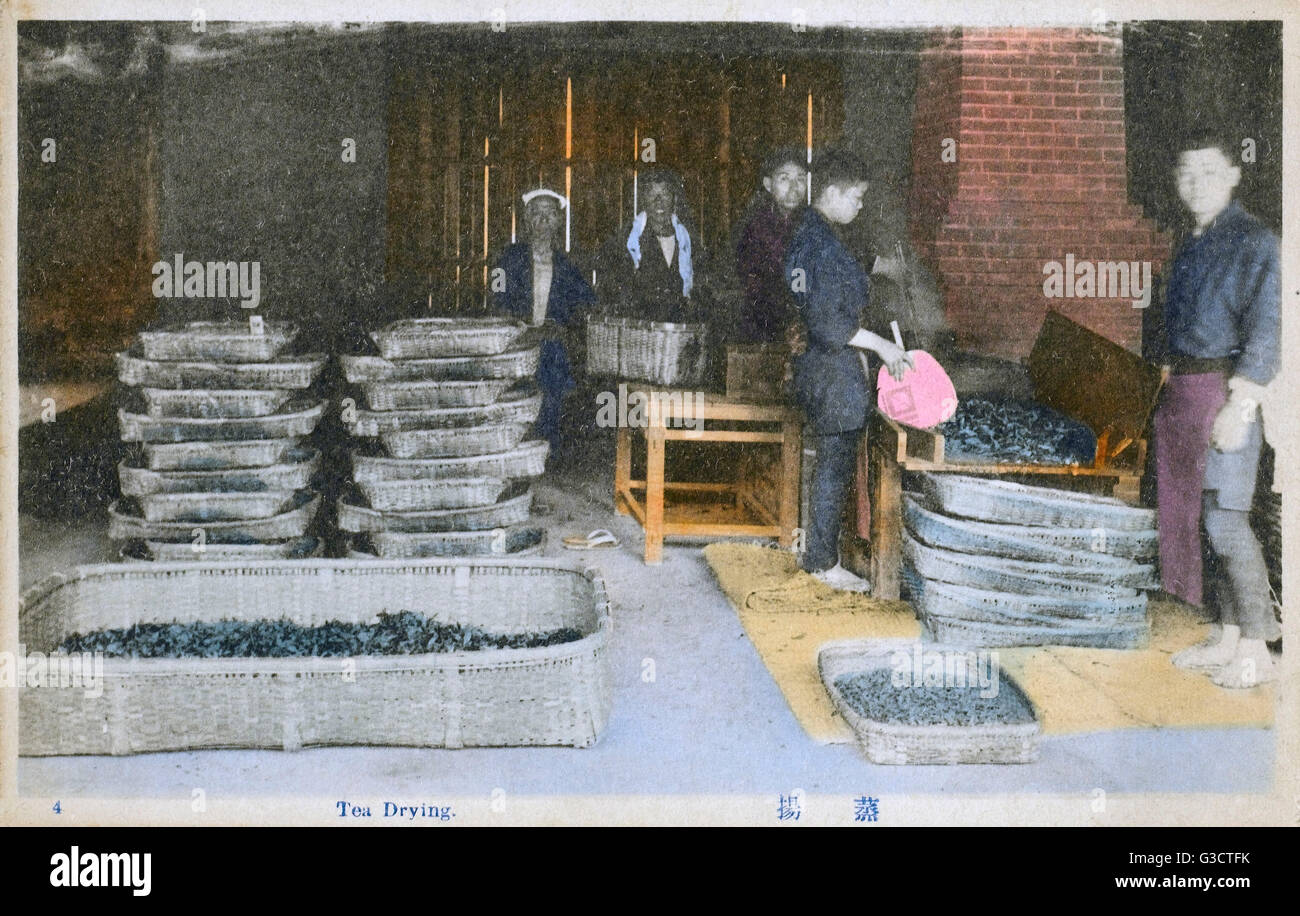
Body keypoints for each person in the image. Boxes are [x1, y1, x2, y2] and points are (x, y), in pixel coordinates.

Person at [1153, 133, 1281, 688]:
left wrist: (1242, 403)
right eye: (1186, 172)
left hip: (1226, 392)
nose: (1195, 183)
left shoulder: (1257, 241)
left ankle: (1256, 645)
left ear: (1233, 175)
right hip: (1184, 391)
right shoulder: (1192, 244)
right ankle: (1228, 635)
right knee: (1202, 518)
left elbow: (1269, 328)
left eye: (1208, 171)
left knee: (1227, 519)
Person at [785, 149, 912, 591]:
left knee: (834, 463)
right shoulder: (818, 242)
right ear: (834, 193)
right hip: (829, 371)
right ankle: (821, 564)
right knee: (835, 465)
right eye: (856, 197)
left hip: (828, 368)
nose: (860, 205)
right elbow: (826, 323)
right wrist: (881, 346)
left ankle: (824, 557)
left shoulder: (816, 235)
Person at [491, 188, 596, 456]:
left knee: (552, 376)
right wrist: (515, 328)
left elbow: (586, 304)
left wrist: (561, 326)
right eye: (536, 214)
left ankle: (547, 452)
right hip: (517, 343)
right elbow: (496, 297)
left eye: (549, 214)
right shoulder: (507, 259)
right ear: (526, 220)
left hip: (551, 345)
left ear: (559, 222)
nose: (543, 221)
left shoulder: (567, 265)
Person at [599, 168, 711, 324]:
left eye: (664, 193)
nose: (659, 200)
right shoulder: (628, 239)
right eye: (652, 193)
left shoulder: (688, 240)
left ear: (673, 199)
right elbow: (614, 290)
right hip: (641, 335)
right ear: (644, 199)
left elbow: (700, 290)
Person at [734, 147, 807, 344]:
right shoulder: (754, 225)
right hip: (765, 329)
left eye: (800, 178)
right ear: (768, 184)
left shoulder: (811, 222)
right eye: (784, 178)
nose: (794, 187)